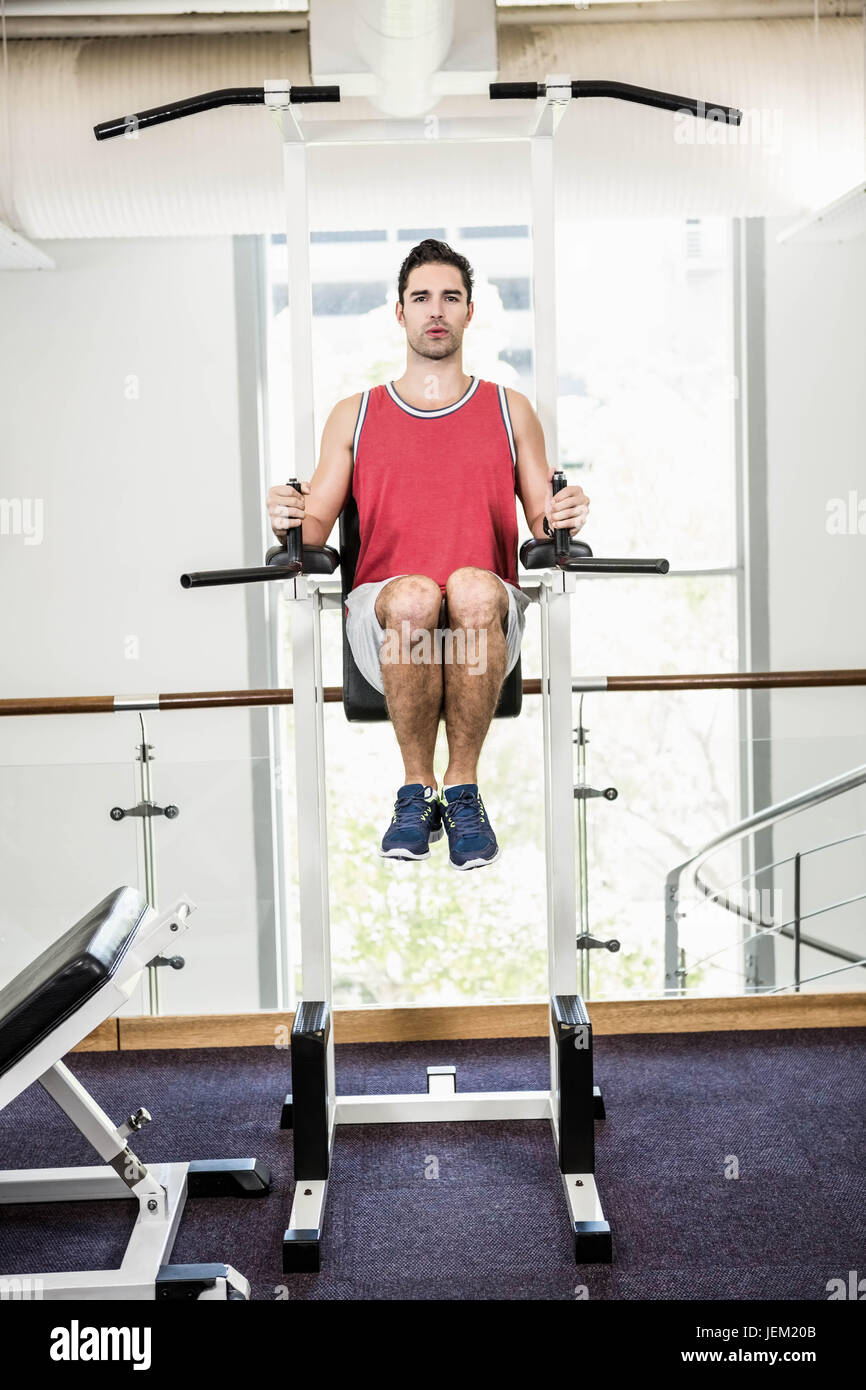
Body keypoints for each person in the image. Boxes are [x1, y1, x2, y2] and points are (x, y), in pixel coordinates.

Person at [267, 239, 589, 870]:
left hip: (483, 613)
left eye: (450, 297)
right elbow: (311, 531)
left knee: (470, 585)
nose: (435, 310)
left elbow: (543, 516)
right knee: (416, 592)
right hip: (385, 615)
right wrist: (285, 513)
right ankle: (416, 790)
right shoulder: (354, 414)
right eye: (421, 298)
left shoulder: (508, 407)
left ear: (470, 312)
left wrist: (567, 511)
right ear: (400, 313)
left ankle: (462, 789)